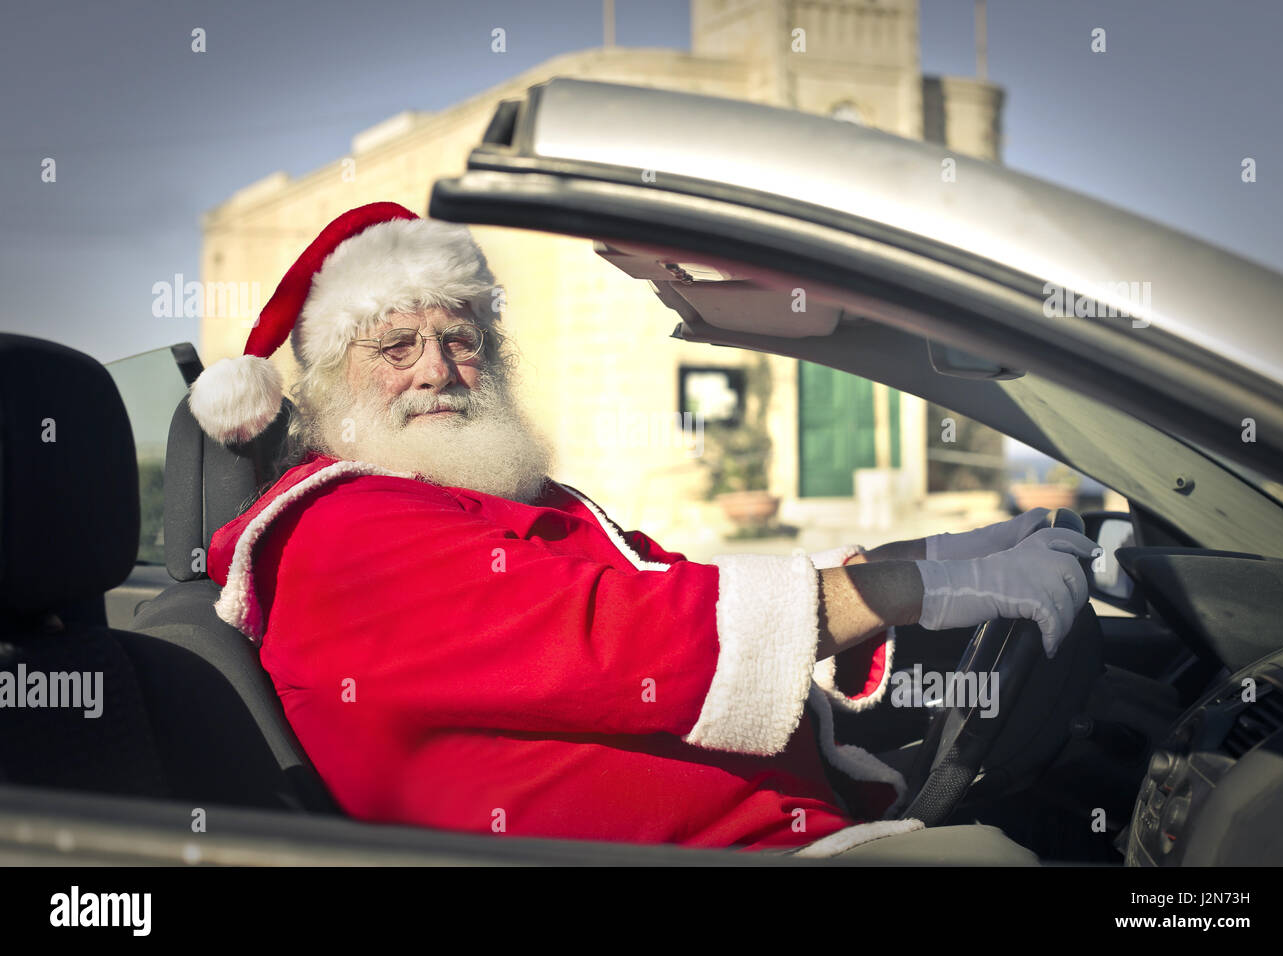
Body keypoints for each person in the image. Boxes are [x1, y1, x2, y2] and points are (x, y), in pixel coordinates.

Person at [192, 202, 1095, 859]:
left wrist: (933, 556)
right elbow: (628, 638)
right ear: (329, 382)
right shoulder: (349, 531)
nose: (437, 369)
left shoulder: (490, 501)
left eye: (459, 338)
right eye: (394, 346)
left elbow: (668, 585)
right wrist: (926, 594)